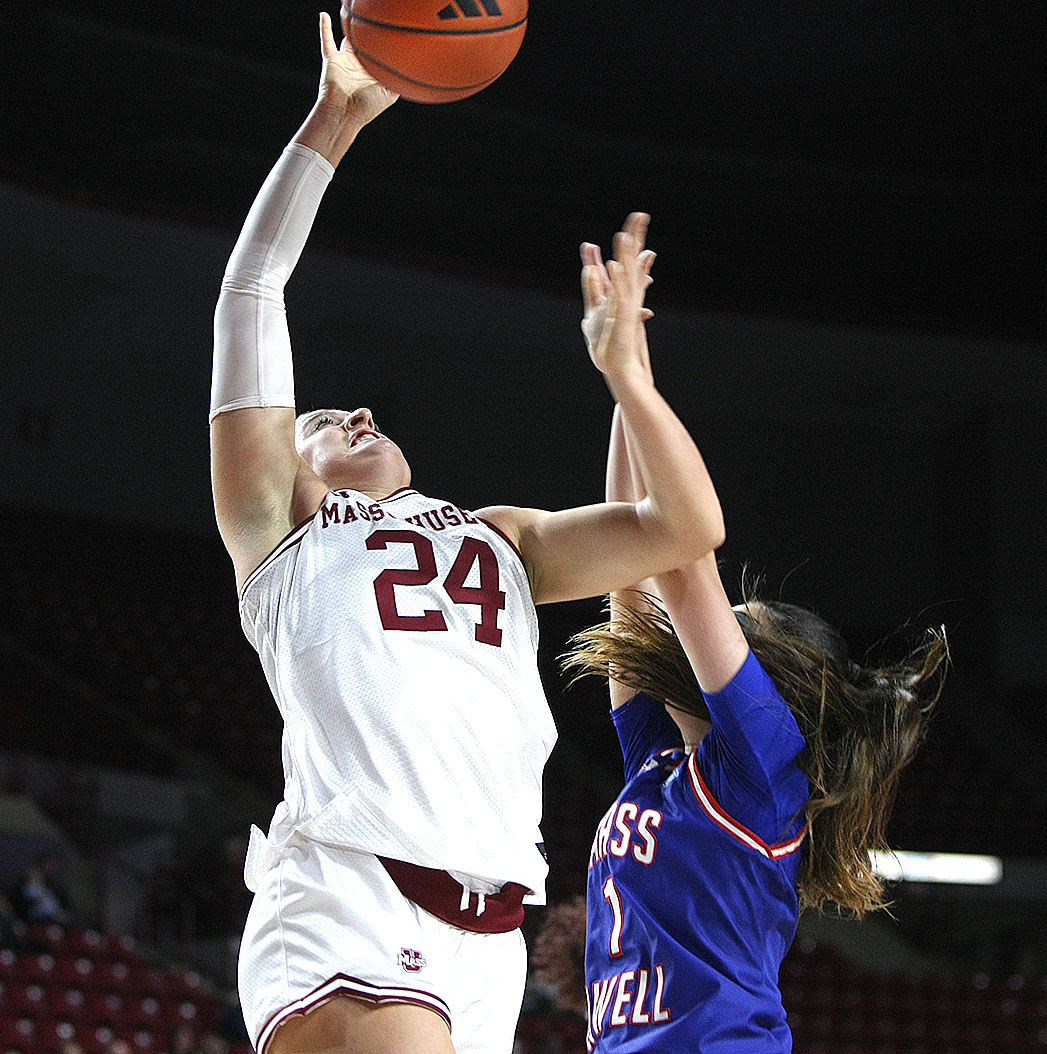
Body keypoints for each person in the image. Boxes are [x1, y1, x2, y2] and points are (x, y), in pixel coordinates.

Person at [209, 12, 724, 1054]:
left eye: (356, 408)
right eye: (321, 421)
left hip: (492, 933)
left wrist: (627, 377)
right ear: (285, 464)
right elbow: (250, 290)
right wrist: (332, 121)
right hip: (350, 895)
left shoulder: (500, 537)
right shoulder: (280, 530)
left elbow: (683, 526)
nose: (351, 415)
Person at [537, 239, 949, 1051]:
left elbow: (684, 563)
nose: (712, 624)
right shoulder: (660, 764)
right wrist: (629, 381)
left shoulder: (766, 764)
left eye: (739, 622)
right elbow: (634, 563)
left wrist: (629, 377)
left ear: (767, 679)